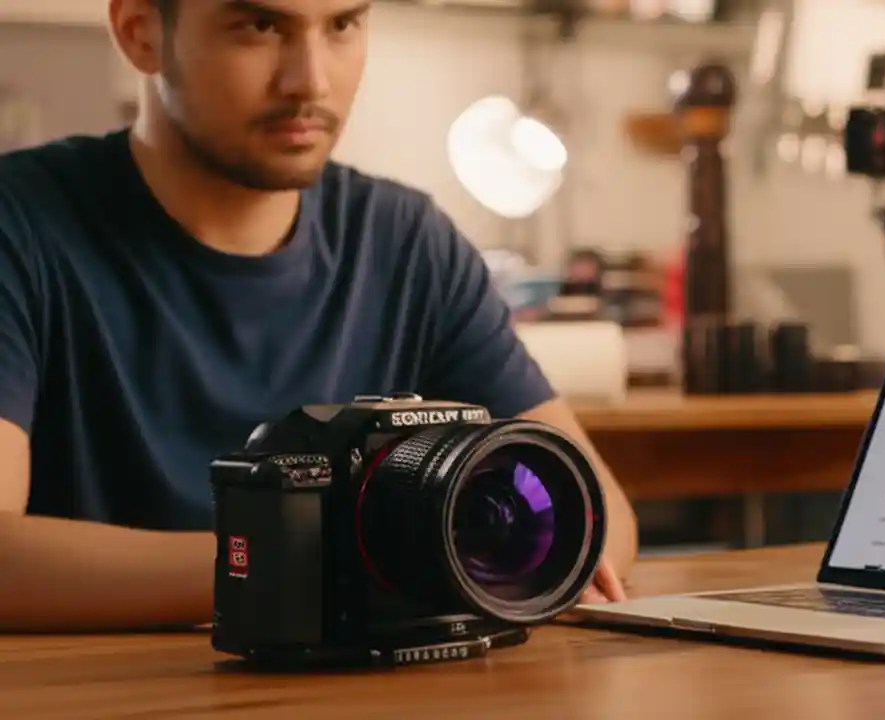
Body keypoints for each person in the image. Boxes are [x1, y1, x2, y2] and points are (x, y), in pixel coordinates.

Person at [0, 0, 637, 632]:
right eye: (259, 25)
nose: (311, 80)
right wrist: (339, 557)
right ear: (140, 33)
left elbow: (595, 515)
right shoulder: (21, 226)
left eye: (343, 25)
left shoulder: (405, 242)